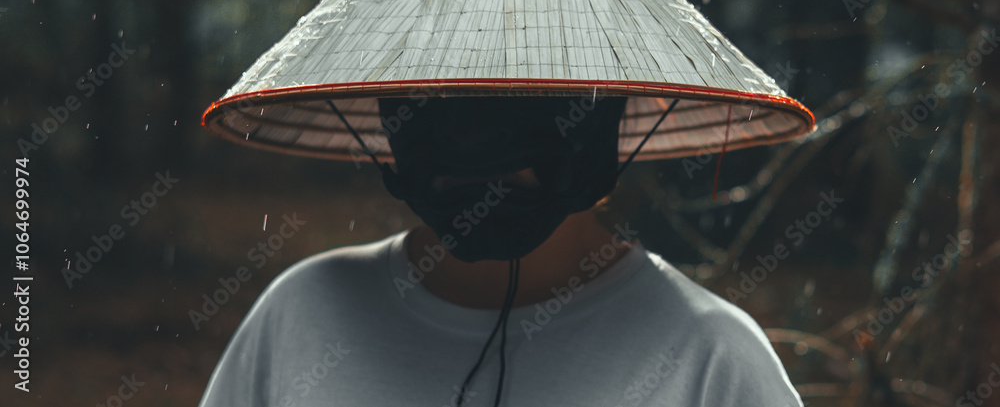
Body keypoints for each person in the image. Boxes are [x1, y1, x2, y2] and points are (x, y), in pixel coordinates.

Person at [197, 94, 804, 407]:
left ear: (594, 136)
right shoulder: (307, 312)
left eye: (519, 120)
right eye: (451, 112)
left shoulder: (707, 352)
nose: (481, 156)